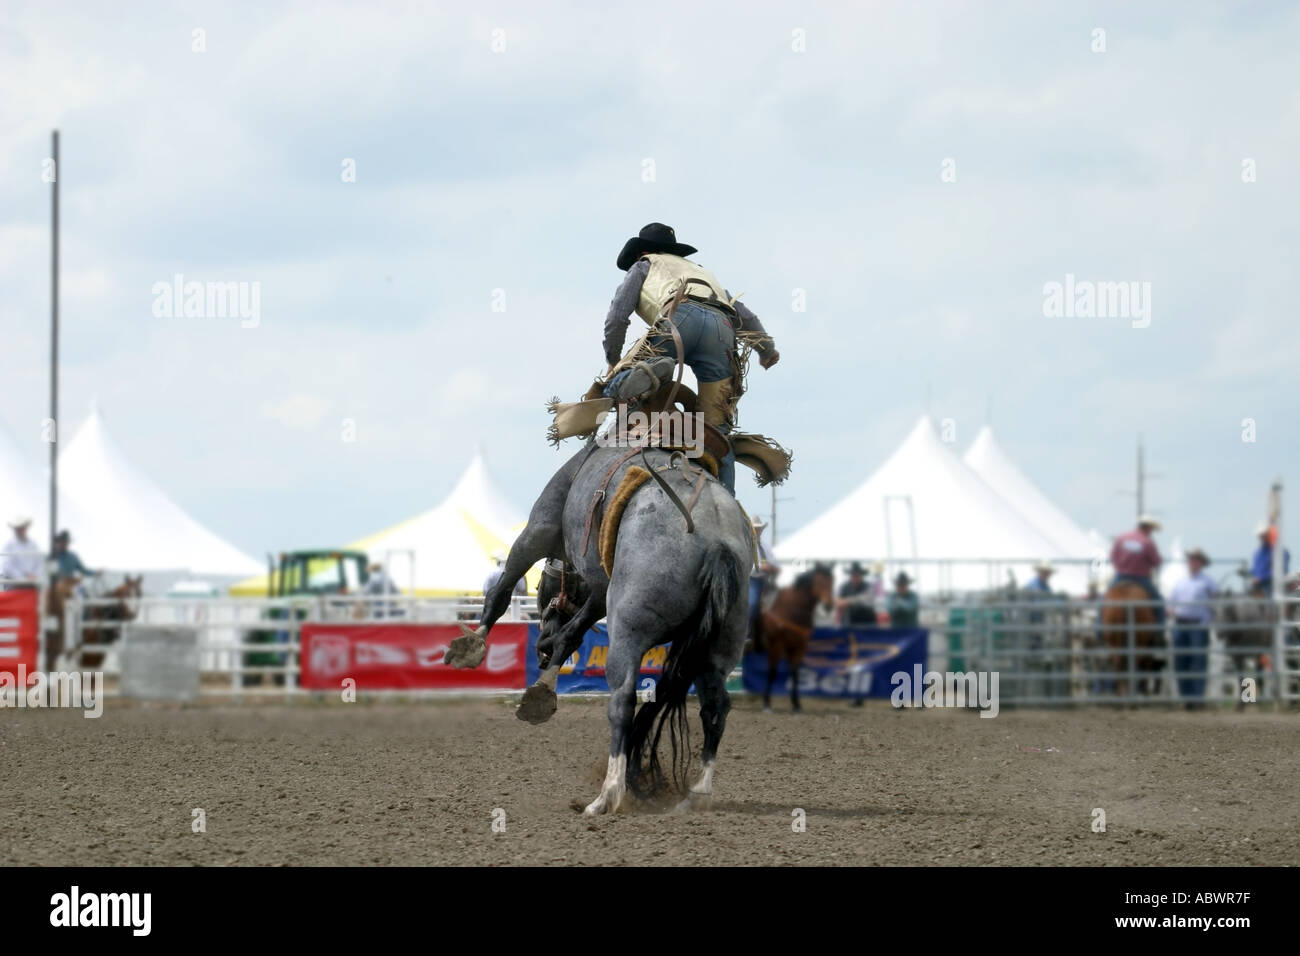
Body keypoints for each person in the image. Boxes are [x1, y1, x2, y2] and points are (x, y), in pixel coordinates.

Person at [601, 223, 780, 495]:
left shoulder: (644, 265)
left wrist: (614, 360)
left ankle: (648, 373)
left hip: (679, 319)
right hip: (722, 331)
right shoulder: (702, 273)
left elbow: (617, 317)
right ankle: (725, 499)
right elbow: (743, 314)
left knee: (615, 385)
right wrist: (766, 350)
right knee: (717, 433)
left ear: (643, 251)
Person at [1169, 547, 1217, 708]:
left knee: (1198, 662)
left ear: (1201, 563)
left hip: (1198, 625)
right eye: (1191, 559)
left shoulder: (1208, 581)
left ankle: (1197, 699)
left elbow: (1216, 601)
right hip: (1180, 625)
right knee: (1181, 662)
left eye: (1196, 559)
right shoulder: (1180, 581)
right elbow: (1171, 604)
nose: (1193, 562)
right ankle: (1186, 699)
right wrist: (1171, 611)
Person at [1109, 514, 1165, 628]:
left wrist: (1121, 566)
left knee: (1103, 600)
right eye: (1151, 529)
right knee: (1159, 602)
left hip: (1121, 577)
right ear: (1148, 528)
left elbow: (1113, 556)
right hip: (1141, 579)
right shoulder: (1148, 542)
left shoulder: (1122, 538)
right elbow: (1156, 562)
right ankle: (1159, 631)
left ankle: (1099, 631)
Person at [748, 516, 777, 625]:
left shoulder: (765, 546)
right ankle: (747, 630)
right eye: (755, 528)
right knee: (753, 603)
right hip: (752, 580)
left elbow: (773, 561)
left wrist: (773, 568)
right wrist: (761, 567)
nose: (757, 531)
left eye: (759, 529)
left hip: (767, 580)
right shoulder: (747, 545)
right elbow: (747, 566)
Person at [1249, 521, 1290, 596]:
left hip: (1275, 590)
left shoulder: (1280, 552)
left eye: (1264, 535)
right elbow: (1254, 571)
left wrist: (1261, 578)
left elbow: (1281, 571)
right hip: (1260, 591)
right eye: (1261, 536)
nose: (1262, 538)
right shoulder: (1257, 553)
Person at [1, 515, 42, 587]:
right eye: (18, 528)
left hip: (32, 585)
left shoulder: (34, 545)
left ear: (26, 528)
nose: (20, 530)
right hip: (13, 586)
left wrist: (35, 576)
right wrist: (24, 579)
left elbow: (39, 563)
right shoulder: (8, 545)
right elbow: (7, 567)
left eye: (22, 527)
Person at [836, 561, 877, 627]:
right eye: (853, 574)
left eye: (857, 574)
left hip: (867, 622)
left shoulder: (868, 586)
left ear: (861, 575)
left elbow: (867, 599)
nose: (855, 577)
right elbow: (838, 603)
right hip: (849, 622)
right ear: (850, 575)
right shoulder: (844, 587)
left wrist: (847, 601)